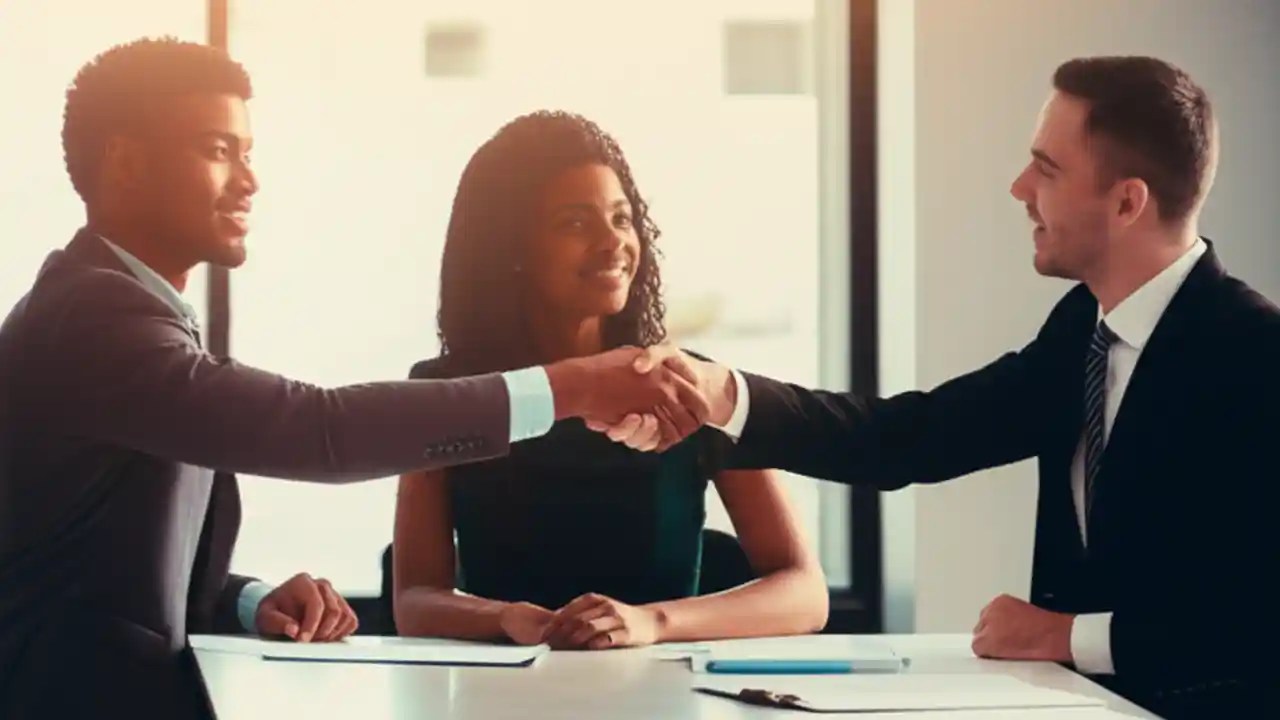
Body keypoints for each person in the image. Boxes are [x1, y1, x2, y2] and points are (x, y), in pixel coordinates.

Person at [0, 39, 707, 719]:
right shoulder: (97, 314)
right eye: (218, 151)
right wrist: (568, 388)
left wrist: (250, 601)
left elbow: (105, 569)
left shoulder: (129, 309)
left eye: (249, 153)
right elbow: (321, 431)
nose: (249, 180)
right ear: (124, 162)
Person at [608, 56, 1278, 718]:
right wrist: (726, 395)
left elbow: (1259, 619)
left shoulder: (1256, 353)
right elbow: (912, 437)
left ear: (1128, 200)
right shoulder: (1083, 329)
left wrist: (1066, 635)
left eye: (1046, 169)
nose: (1020, 188)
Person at [392, 111, 828, 651]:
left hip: (662, 697)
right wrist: (506, 618)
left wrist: (652, 622)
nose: (612, 243)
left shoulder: (685, 385)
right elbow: (414, 598)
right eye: (575, 224)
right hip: (507, 695)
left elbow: (806, 592)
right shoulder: (449, 392)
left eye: (622, 219)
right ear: (512, 250)